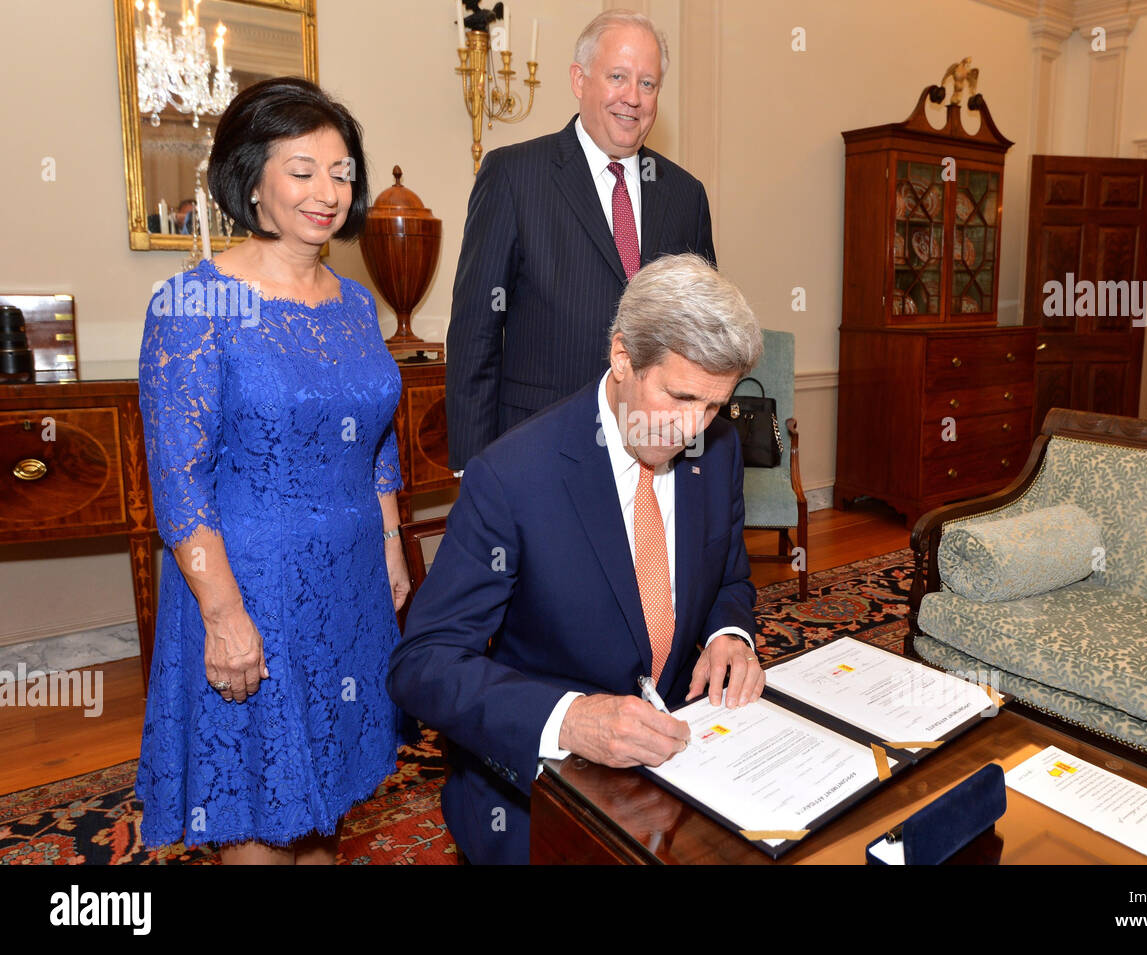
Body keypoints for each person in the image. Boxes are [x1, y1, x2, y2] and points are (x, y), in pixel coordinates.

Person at [390, 253, 765, 865]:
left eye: (714, 406)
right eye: (680, 397)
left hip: (680, 762)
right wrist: (568, 721)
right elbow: (422, 664)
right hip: (539, 786)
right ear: (623, 357)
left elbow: (731, 576)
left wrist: (730, 634)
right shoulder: (513, 477)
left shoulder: (715, 450)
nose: (693, 427)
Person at [136, 76, 409, 865]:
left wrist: (390, 546)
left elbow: (376, 440)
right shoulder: (194, 305)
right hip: (249, 585)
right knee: (258, 802)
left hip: (350, 580)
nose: (327, 191)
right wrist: (224, 616)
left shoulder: (356, 304)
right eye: (303, 169)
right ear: (250, 178)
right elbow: (178, 482)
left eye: (341, 171)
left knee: (322, 790)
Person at [445, 8, 716, 471]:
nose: (633, 97)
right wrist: (473, 466)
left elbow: (701, 338)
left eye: (647, 84)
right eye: (617, 77)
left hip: (655, 452)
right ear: (579, 79)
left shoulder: (685, 195)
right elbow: (475, 333)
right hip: (541, 448)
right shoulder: (514, 176)